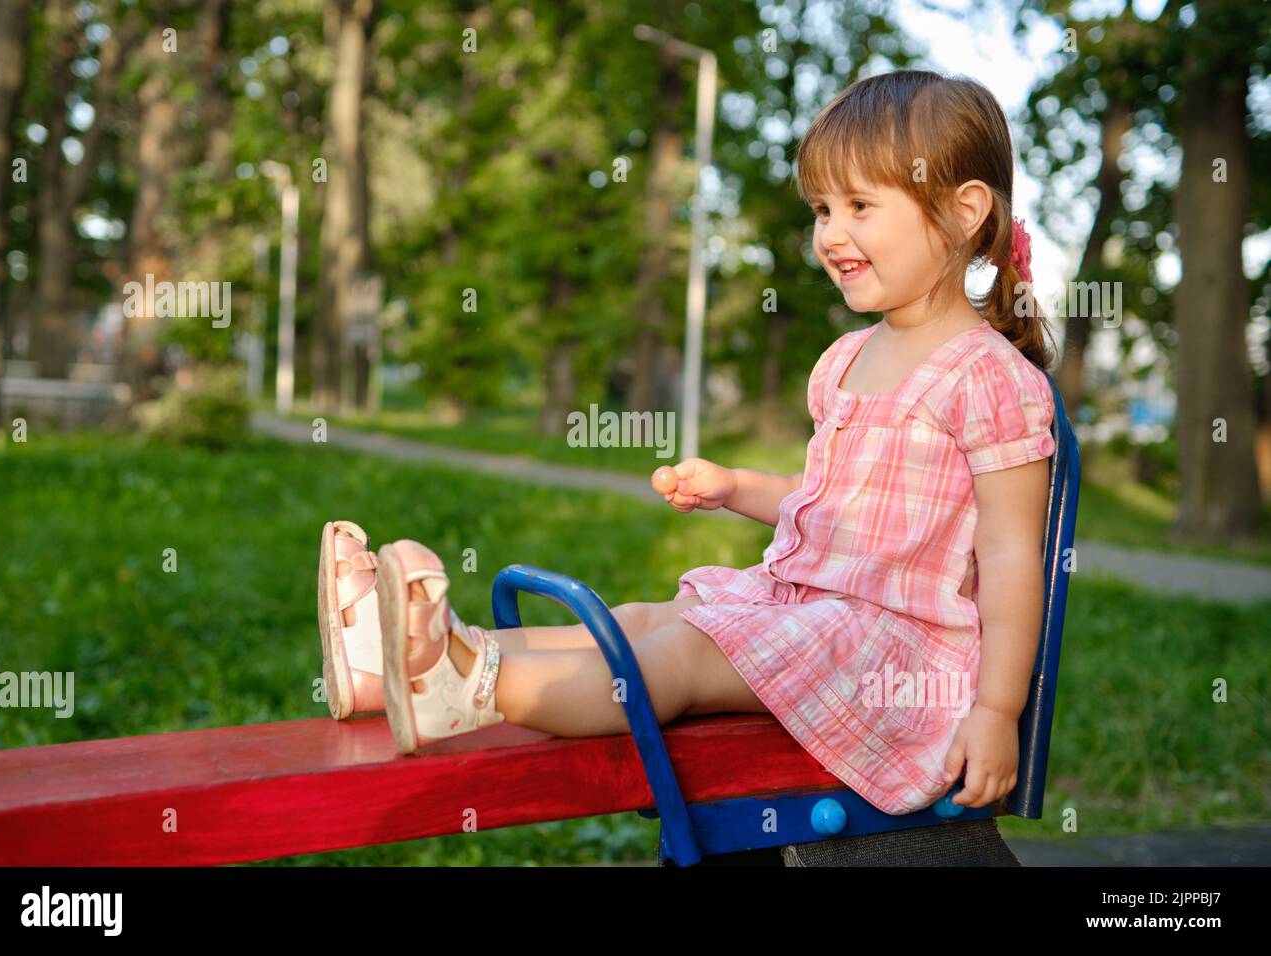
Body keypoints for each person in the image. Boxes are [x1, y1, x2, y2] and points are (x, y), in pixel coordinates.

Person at [317, 68, 1058, 817]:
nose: (831, 234)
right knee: (644, 619)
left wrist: (994, 713)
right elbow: (833, 506)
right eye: (822, 209)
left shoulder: (990, 379)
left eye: (860, 206)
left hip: (890, 659)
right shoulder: (846, 359)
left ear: (964, 211)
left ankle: (465, 682)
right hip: (809, 609)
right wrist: (737, 487)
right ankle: (400, 661)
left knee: (687, 655)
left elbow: (1007, 557)